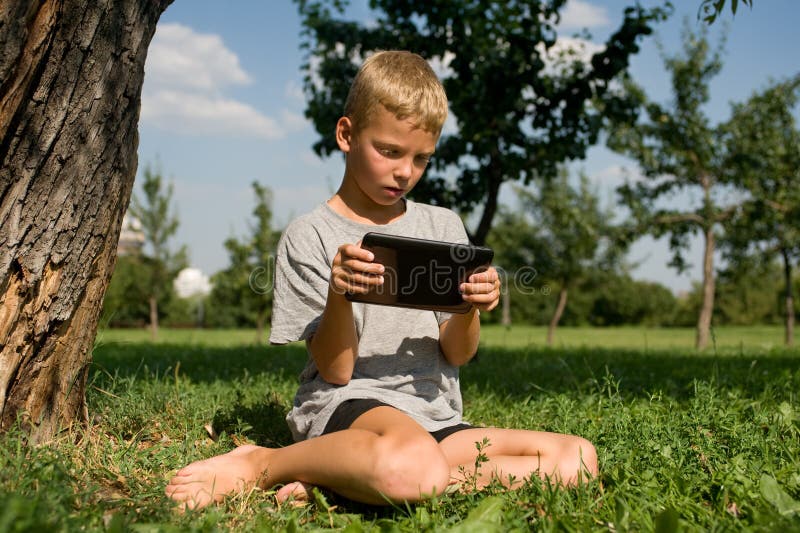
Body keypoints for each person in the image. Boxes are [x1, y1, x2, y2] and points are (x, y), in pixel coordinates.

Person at [166, 50, 598, 510]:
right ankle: (265, 462)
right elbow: (336, 370)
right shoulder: (309, 234)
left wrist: (469, 304)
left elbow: (458, 352)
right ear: (347, 134)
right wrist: (340, 292)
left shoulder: (443, 226)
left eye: (421, 159)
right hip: (349, 408)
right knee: (416, 463)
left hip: (434, 416)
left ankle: (352, 477)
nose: (404, 172)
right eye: (389, 151)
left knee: (577, 459)